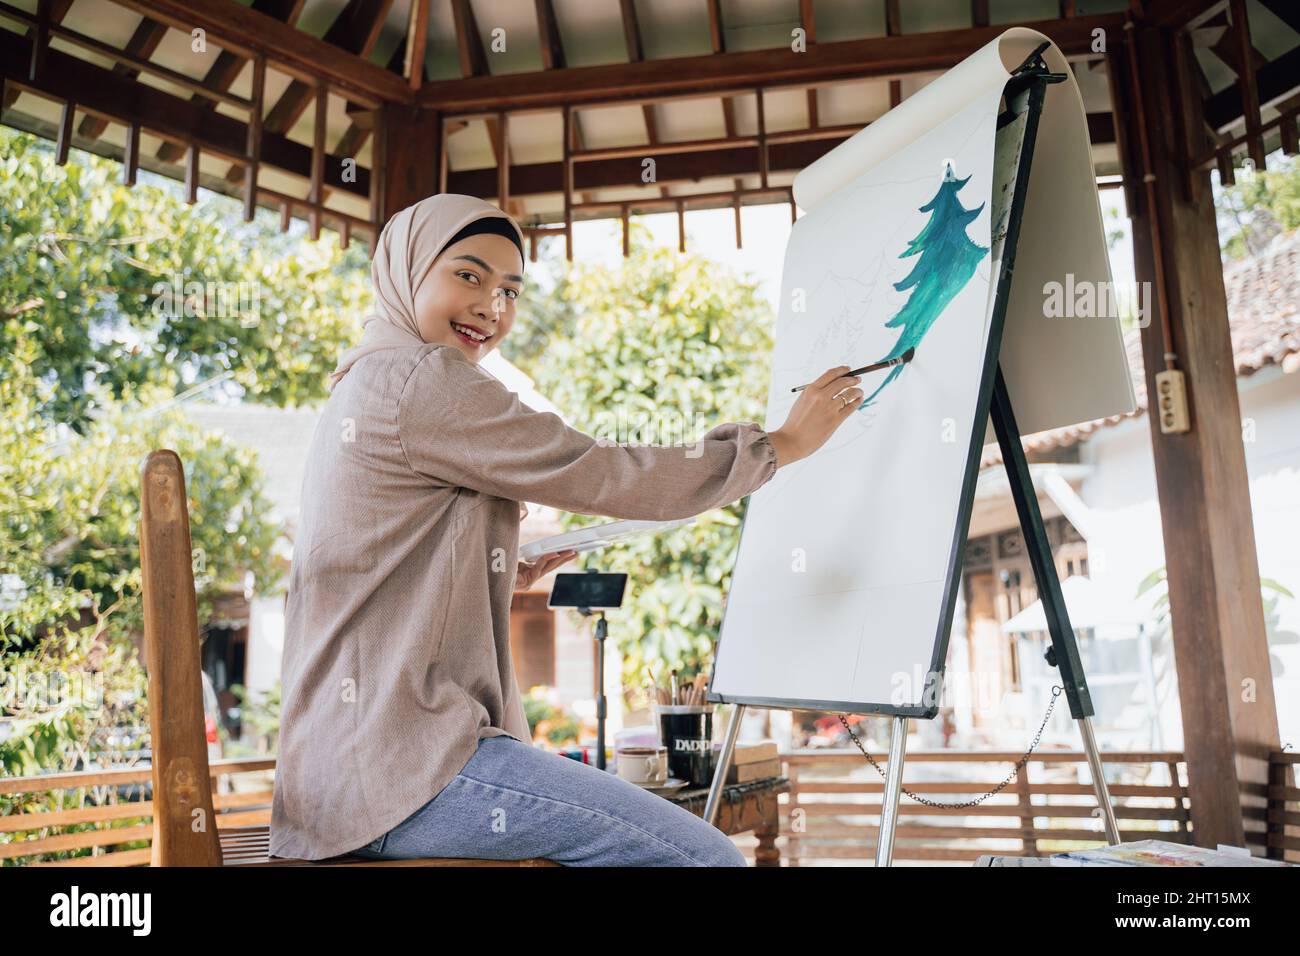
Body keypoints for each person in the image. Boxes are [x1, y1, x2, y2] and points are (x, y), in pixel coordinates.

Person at [268, 193, 864, 866]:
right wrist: (777, 447)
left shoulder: (360, 382)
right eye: (468, 275)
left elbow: (377, 560)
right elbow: (602, 470)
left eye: (510, 290)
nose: (492, 307)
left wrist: (497, 564)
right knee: (708, 858)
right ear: (405, 271)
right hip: (401, 773)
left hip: (337, 780)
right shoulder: (422, 377)